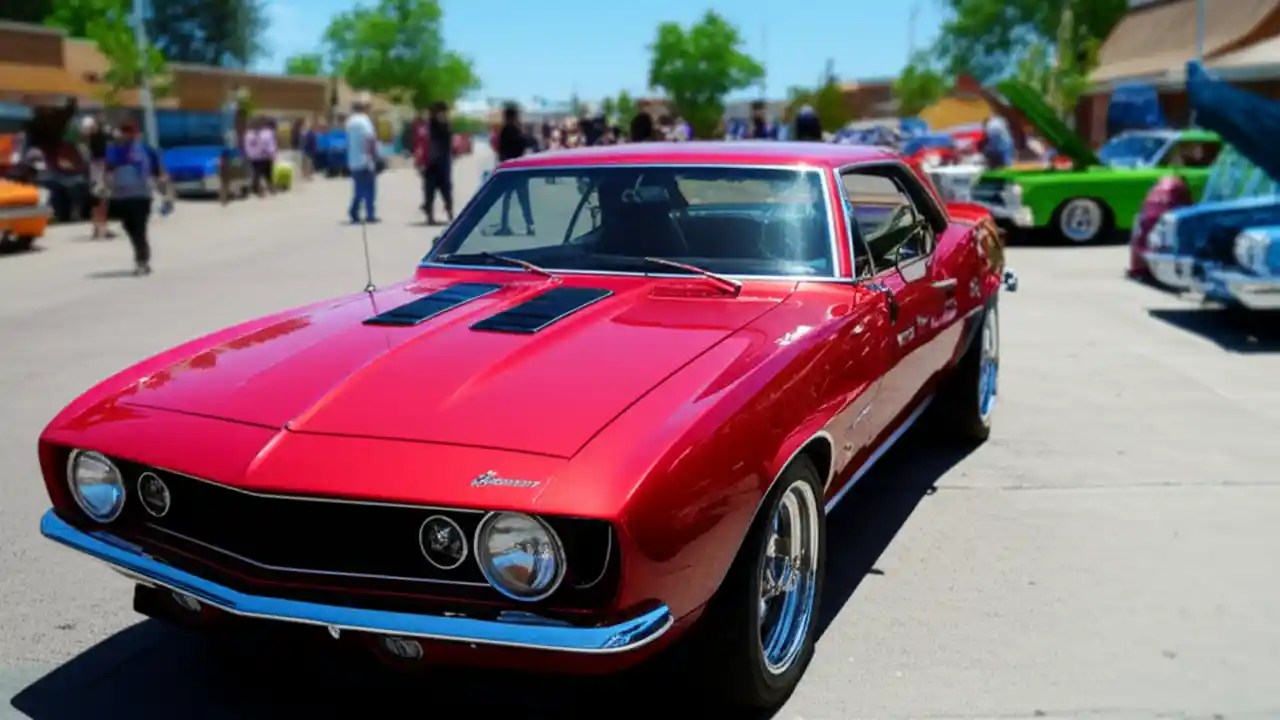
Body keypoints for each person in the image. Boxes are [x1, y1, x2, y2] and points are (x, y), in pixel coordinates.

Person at [104, 120, 170, 276]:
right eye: (123, 132)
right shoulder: (115, 151)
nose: (126, 135)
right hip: (121, 196)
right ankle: (141, 256)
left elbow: (159, 173)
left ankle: (141, 260)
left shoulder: (147, 151)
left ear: (136, 134)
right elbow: (108, 171)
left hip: (141, 196)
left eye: (129, 132)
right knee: (129, 228)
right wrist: (106, 187)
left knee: (139, 228)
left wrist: (165, 195)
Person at [496, 103, 534, 235]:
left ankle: (504, 225)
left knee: (506, 199)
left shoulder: (506, 130)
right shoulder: (519, 130)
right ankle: (530, 225)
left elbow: (501, 149)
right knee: (524, 199)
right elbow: (526, 144)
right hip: (520, 167)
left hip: (509, 169)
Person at [345, 95, 379, 223]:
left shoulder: (350, 122)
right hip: (365, 160)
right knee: (370, 188)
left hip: (353, 161)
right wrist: (374, 155)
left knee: (358, 188)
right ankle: (369, 214)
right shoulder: (365, 121)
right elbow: (370, 139)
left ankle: (354, 211)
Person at [82, 115, 114, 239]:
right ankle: (100, 227)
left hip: (98, 168)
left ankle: (99, 227)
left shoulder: (94, 138)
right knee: (99, 199)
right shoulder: (97, 138)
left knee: (100, 199)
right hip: (99, 168)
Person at [423, 101, 454, 225]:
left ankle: (450, 213)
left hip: (441, 162)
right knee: (430, 190)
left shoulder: (444, 125)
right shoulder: (430, 126)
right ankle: (430, 215)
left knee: (445, 190)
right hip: (432, 162)